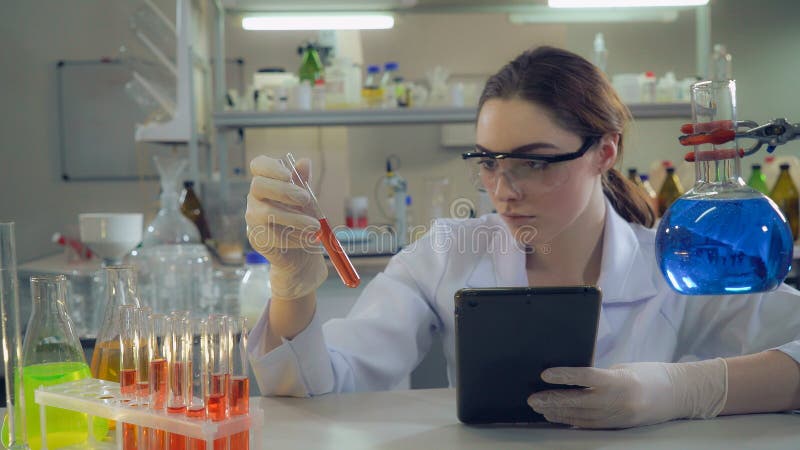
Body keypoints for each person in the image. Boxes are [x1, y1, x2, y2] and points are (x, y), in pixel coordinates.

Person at [244, 46, 800, 429]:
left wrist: (678, 392)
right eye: (488, 162)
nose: (502, 190)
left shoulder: (677, 265)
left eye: (533, 163)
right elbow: (322, 385)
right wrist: (291, 285)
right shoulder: (447, 254)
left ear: (604, 152)